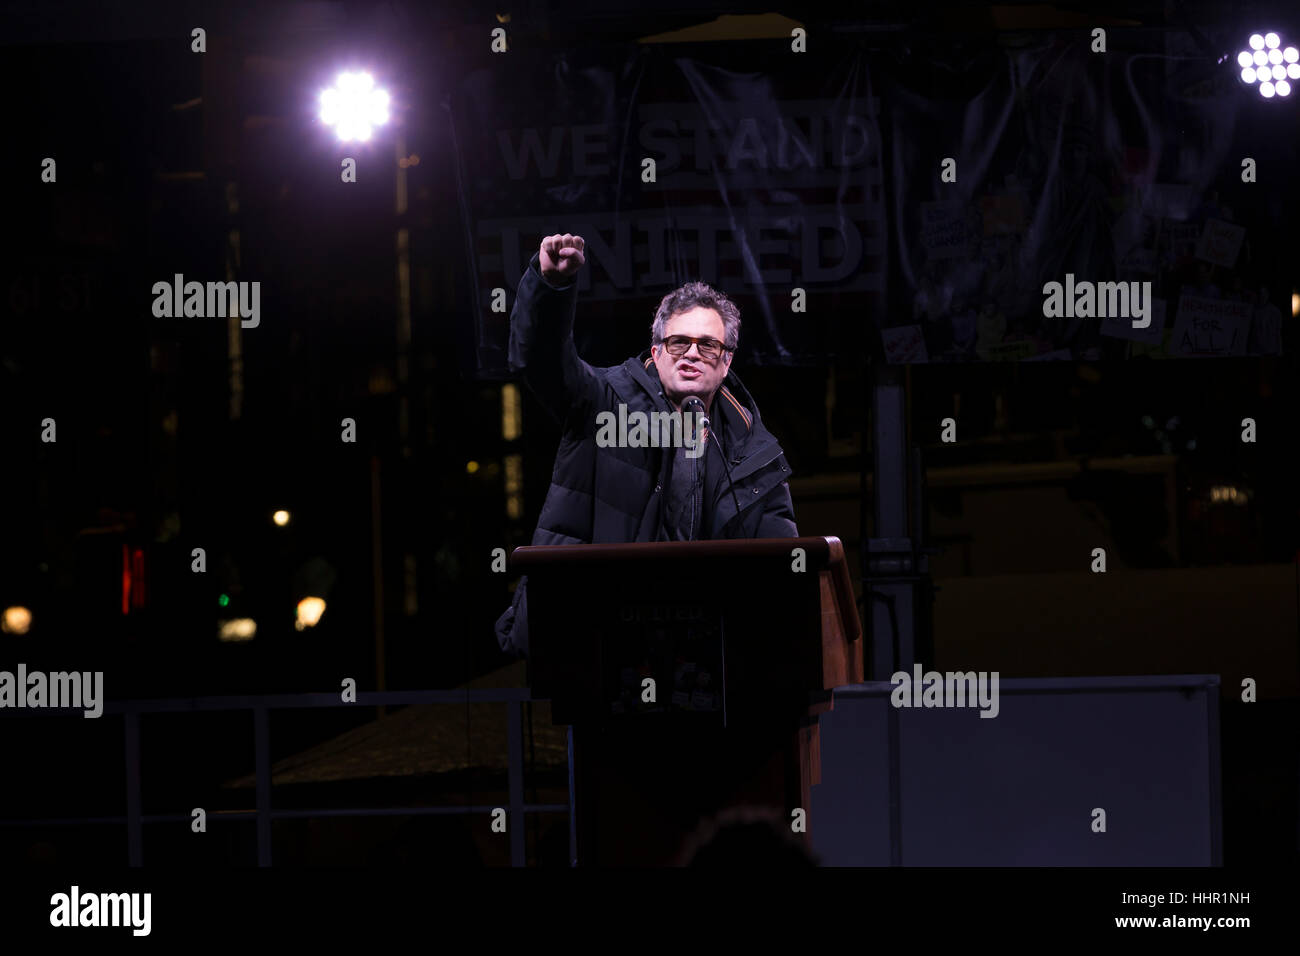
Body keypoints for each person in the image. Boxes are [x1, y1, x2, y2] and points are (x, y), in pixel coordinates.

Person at [495, 233, 798, 658]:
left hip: (711, 658)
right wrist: (551, 288)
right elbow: (540, 359)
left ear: (727, 360)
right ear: (656, 351)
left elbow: (786, 574)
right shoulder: (602, 401)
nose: (691, 354)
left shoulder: (756, 453)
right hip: (599, 645)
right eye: (679, 343)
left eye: (708, 345)